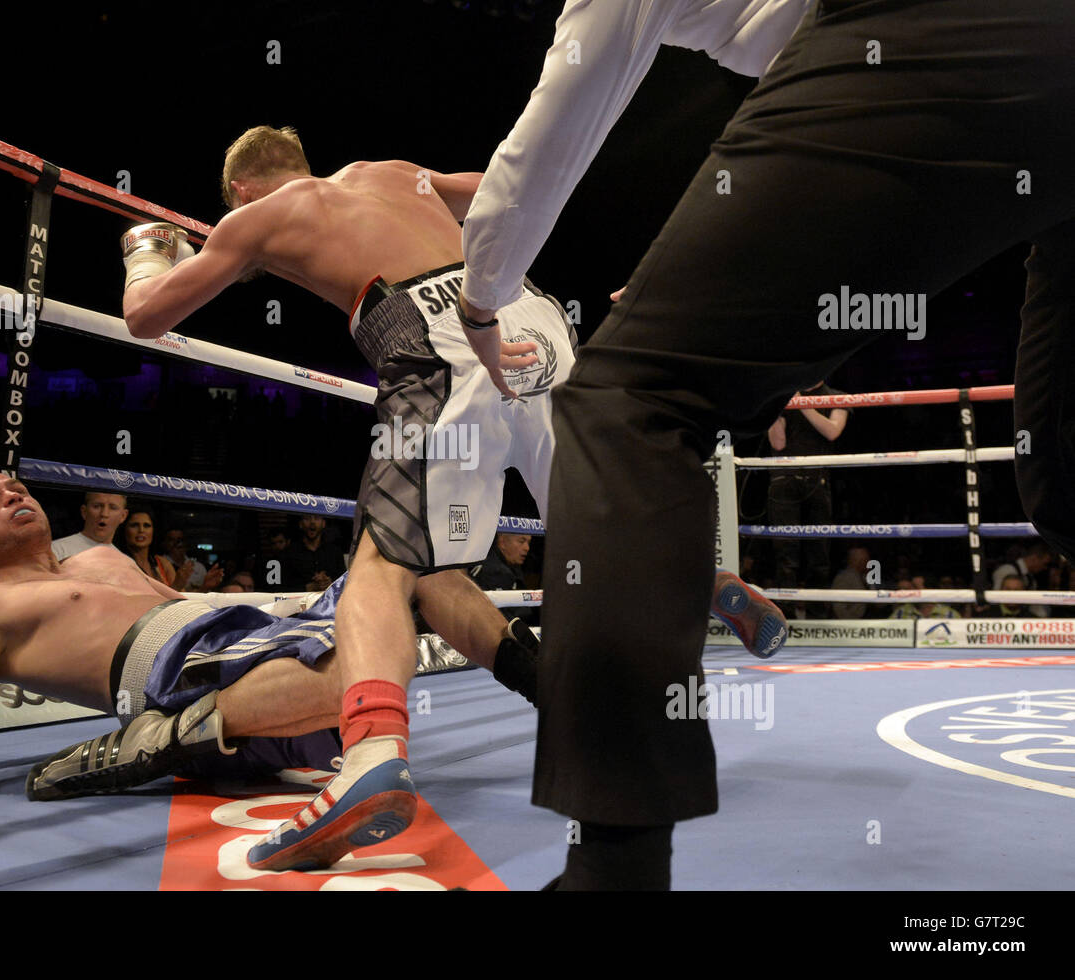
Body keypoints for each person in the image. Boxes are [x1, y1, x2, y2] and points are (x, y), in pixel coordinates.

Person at [454, 0, 1074, 890]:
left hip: (937, 36)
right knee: (1059, 463)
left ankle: (613, 874)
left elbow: (565, 110)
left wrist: (483, 295)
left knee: (630, 399)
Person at [117, 126, 785, 871]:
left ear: (239, 190)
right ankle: (704, 583)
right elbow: (510, 188)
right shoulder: (392, 171)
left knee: (380, 568)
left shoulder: (259, 216)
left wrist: (148, 247)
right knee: (588, 526)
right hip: (521, 309)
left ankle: (370, 758)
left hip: (433, 333)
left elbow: (146, 317)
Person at [0, 470, 542, 843]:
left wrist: (296, 617)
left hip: (243, 643)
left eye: (17, 488)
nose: (14, 495)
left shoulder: (97, 553)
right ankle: (169, 733)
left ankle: (551, 689)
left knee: (410, 560)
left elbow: (200, 609)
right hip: (176, 668)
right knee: (365, 657)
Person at [767, 379, 850, 603]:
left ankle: (818, 616)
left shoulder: (836, 395)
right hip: (784, 477)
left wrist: (802, 404)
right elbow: (778, 443)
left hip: (817, 479)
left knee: (819, 551)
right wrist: (773, 408)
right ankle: (788, 616)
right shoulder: (785, 394)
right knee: (785, 551)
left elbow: (832, 431)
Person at [50, 492, 129, 561]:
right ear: (84, 512)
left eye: (113, 508)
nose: (104, 514)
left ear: (123, 516)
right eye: (97, 506)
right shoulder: (57, 549)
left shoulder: (125, 562)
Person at [119, 510, 179, 587]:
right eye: (135, 525)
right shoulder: (119, 564)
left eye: (146, 526)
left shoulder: (162, 563)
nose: (141, 530)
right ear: (125, 530)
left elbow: (181, 595)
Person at [992, 542, 1053, 617]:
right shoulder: (1006, 570)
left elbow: (1034, 605)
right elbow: (995, 600)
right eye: (1044, 563)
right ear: (1034, 559)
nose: (1045, 568)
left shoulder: (1031, 580)